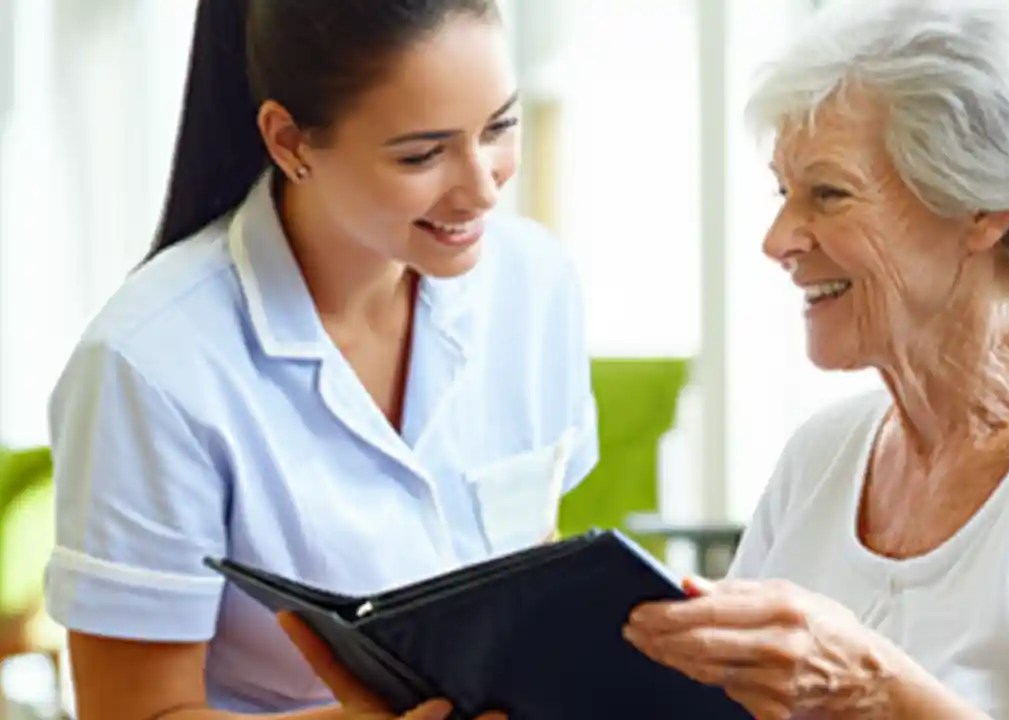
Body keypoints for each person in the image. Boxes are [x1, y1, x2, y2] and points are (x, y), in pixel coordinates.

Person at [623, 0, 1009, 718]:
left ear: (985, 207)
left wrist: (879, 692)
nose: (779, 238)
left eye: (828, 193)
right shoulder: (822, 457)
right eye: (783, 191)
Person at [43, 0, 596, 717]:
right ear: (290, 141)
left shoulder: (534, 283)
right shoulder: (149, 364)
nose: (483, 187)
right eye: (421, 154)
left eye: (499, 127)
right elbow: (133, 712)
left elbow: (529, 579)